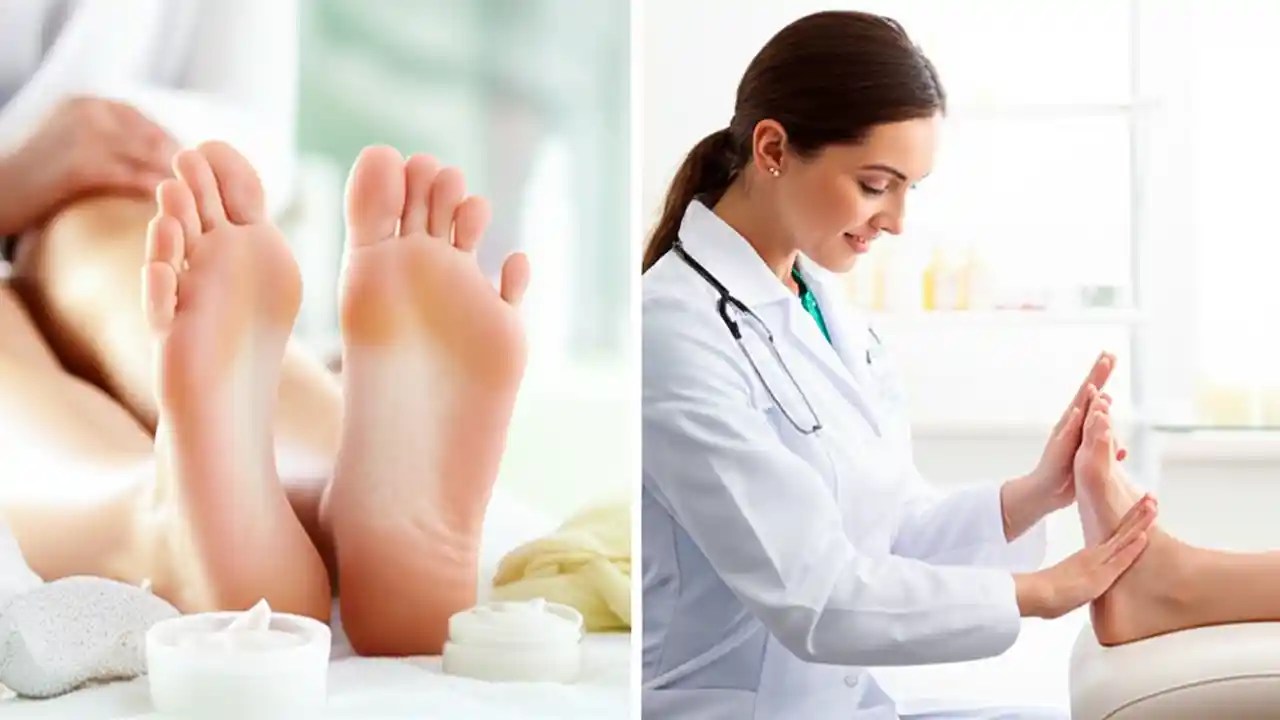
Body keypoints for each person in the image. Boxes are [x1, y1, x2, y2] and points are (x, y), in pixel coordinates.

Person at [641, 12, 1157, 718]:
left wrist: (1033, 494)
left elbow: (890, 529)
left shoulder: (823, 306)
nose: (897, 220)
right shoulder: (674, 329)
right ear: (772, 149)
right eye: (877, 184)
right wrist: (1046, 591)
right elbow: (814, 595)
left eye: (911, 187)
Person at [0, 0, 530, 658]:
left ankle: (229, 513)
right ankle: (285, 499)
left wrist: (112, 152)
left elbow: (249, 130)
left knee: (126, 239)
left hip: (115, 199)